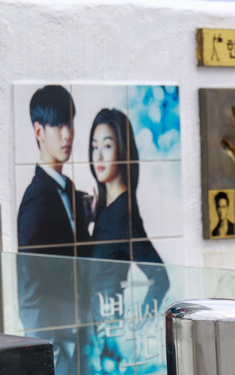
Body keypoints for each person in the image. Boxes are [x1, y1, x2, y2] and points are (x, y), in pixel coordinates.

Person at [82, 108, 170, 367]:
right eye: (94, 146)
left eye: (107, 146)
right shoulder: (106, 209)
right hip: (99, 340)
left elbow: (160, 277)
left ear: (122, 150)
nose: (97, 155)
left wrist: (138, 327)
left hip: (111, 344)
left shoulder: (123, 214)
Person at [16, 85, 85, 375]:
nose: (67, 133)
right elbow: (30, 289)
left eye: (69, 122)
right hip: (59, 349)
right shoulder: (36, 198)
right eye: (57, 124)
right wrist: (53, 347)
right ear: (39, 131)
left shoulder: (68, 189)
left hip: (81, 338)